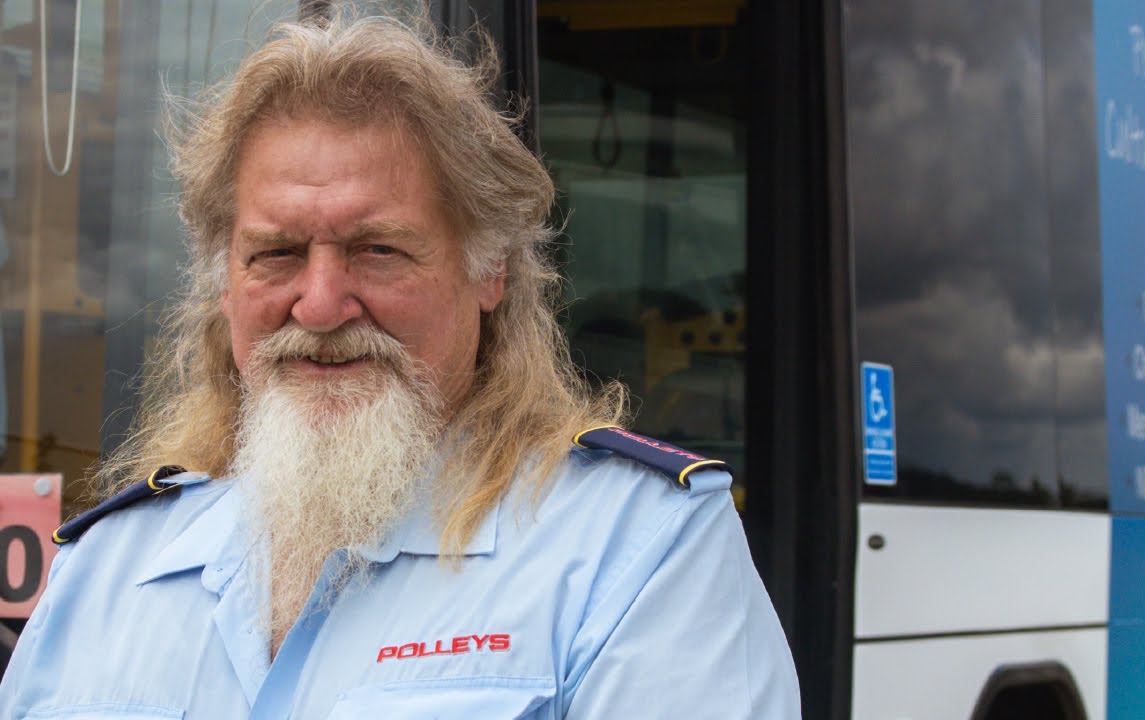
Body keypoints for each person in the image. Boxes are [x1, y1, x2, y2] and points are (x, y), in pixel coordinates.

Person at [0, 9, 800, 719]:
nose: (319, 305)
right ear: (222, 285)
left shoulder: (639, 553)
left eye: (378, 250)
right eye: (275, 253)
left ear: (489, 271)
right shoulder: (104, 569)